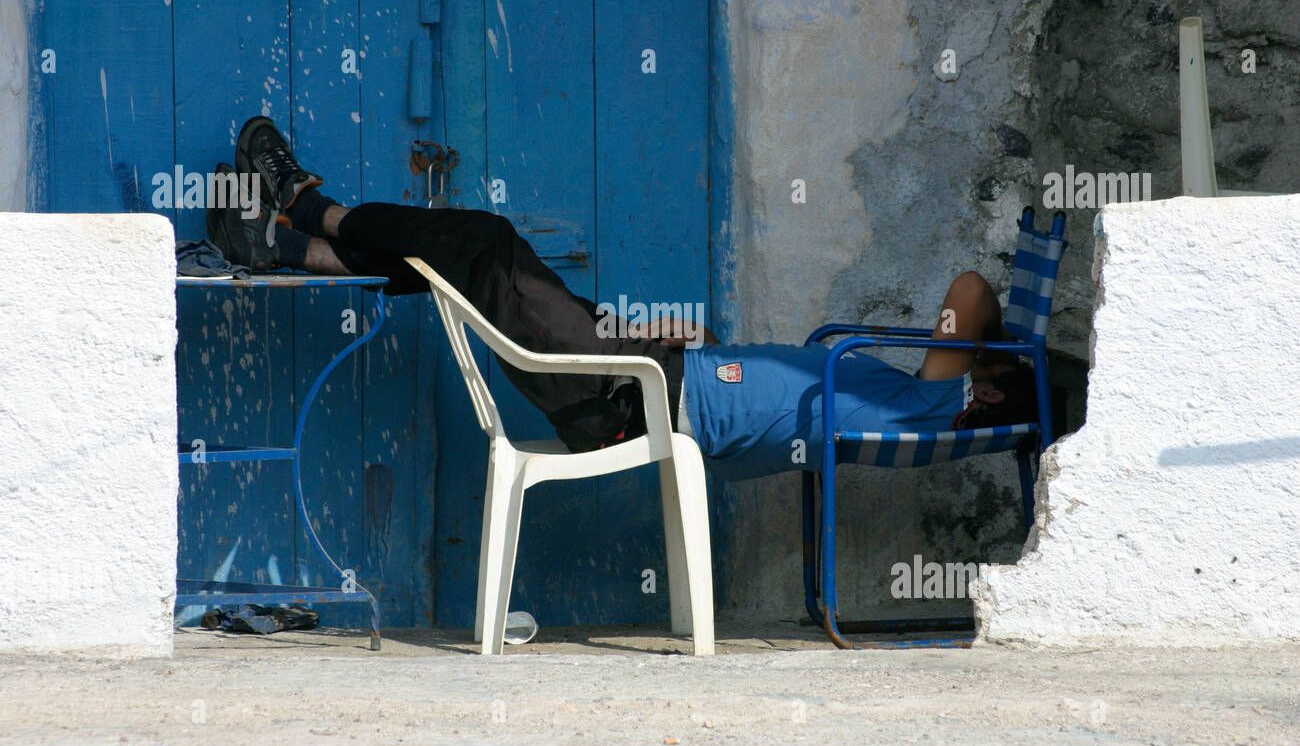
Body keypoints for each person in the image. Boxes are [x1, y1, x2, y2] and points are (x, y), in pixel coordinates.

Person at [209, 117, 1038, 479]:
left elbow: (969, 290)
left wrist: (998, 348)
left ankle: (307, 206)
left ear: (986, 385)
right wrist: (682, 344)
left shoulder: (930, 406)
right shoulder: (896, 394)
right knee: (473, 263)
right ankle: (286, 245)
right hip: (646, 372)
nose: (957, 357)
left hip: (630, 397)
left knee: (489, 245)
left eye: (979, 370)